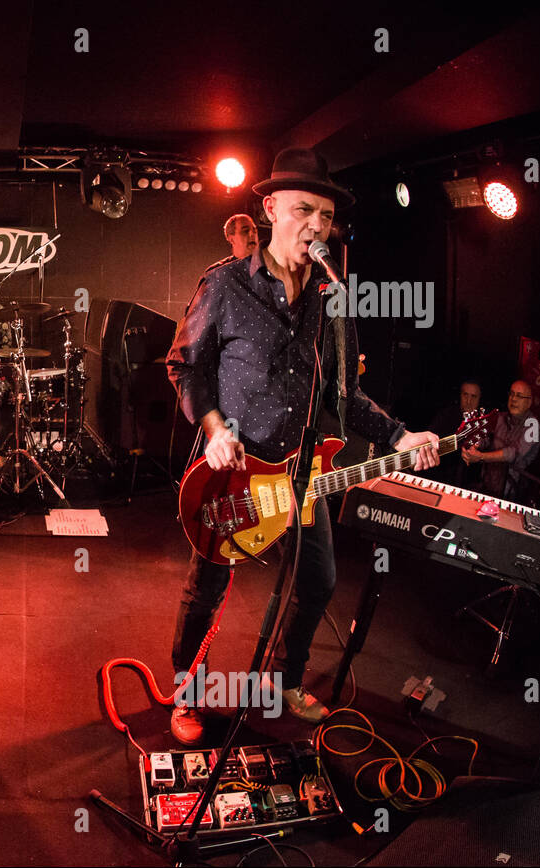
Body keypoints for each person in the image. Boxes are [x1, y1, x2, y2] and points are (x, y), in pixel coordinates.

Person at [165, 148, 441, 745]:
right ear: (270, 209)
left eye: (325, 215)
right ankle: (188, 692)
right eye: (303, 211)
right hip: (234, 471)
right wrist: (213, 428)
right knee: (206, 588)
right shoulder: (225, 284)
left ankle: (286, 679)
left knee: (317, 580)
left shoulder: (331, 300)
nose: (317, 225)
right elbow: (185, 367)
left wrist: (399, 434)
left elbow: (346, 395)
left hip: (304, 472)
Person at [463, 380, 538, 501]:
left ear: (529, 402)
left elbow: (513, 454)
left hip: (511, 495)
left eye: (519, 396)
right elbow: (485, 439)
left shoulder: (533, 425)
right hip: (486, 485)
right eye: (512, 394)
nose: (513, 399)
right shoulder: (500, 417)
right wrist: (473, 446)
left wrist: (481, 456)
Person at [428, 379, 482, 487]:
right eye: (465, 395)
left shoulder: (482, 421)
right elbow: (431, 440)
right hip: (441, 476)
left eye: (473, 397)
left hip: (470, 483)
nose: (468, 401)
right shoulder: (446, 415)